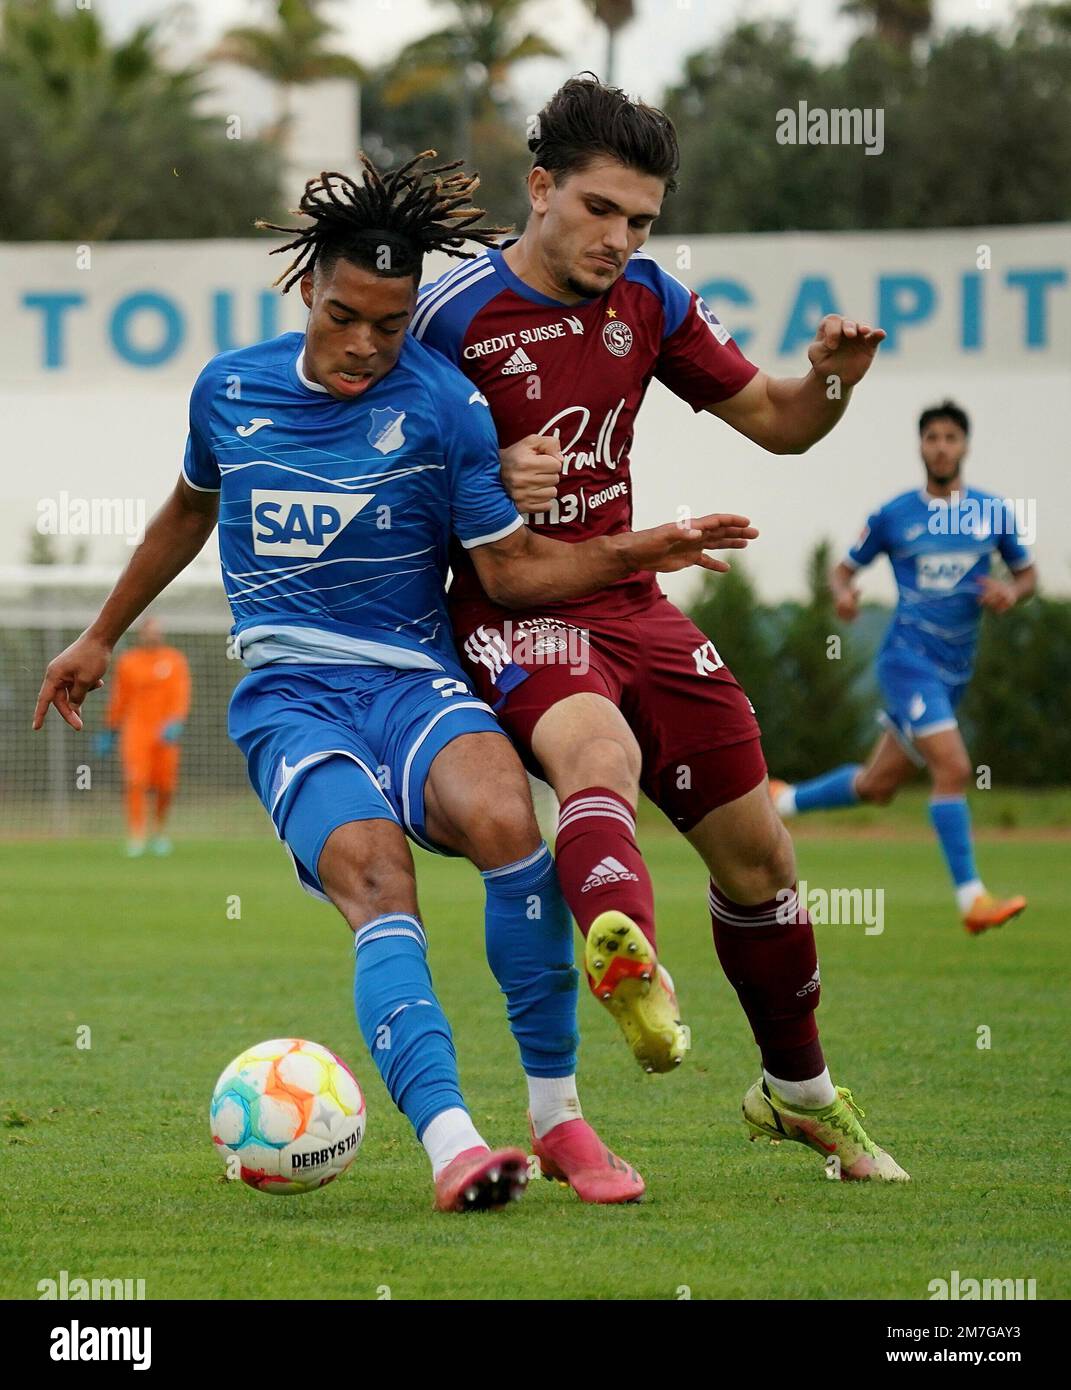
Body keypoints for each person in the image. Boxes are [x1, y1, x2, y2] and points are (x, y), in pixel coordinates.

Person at [33, 151, 753, 1211]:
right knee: (376, 878)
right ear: (306, 290)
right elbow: (188, 509)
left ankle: (558, 1119)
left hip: (417, 682)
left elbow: (509, 569)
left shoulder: (447, 405)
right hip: (292, 696)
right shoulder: (227, 389)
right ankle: (456, 1143)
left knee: (512, 822)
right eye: (344, 315)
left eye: (390, 320)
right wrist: (101, 632)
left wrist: (640, 547)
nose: (366, 343)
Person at [414, 76, 907, 1180]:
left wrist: (829, 383)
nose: (620, 237)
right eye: (599, 209)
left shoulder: (650, 301)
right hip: (517, 604)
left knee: (760, 855)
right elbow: (386, 466)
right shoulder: (451, 320)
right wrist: (483, 474)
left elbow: (781, 423)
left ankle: (798, 1095)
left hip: (635, 597)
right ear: (539, 188)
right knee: (600, 753)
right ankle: (631, 964)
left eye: (641, 219)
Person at [770, 399, 1036, 935]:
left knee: (878, 785)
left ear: (965, 446)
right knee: (955, 769)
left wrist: (1012, 592)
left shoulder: (992, 512)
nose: (941, 447)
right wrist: (844, 597)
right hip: (908, 663)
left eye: (950, 438)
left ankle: (782, 801)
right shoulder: (894, 515)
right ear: (921, 446)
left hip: (955, 672)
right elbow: (841, 573)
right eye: (932, 437)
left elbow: (1027, 576)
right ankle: (972, 900)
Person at [97, 616, 189, 857]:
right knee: (136, 782)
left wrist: (176, 721)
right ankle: (137, 835)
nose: (154, 635)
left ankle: (159, 832)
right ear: (141, 634)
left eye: (158, 631)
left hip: (166, 733)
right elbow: (120, 698)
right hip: (136, 731)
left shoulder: (174, 660)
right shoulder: (128, 662)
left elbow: (181, 694)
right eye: (150, 631)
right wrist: (110, 728)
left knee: (165, 785)